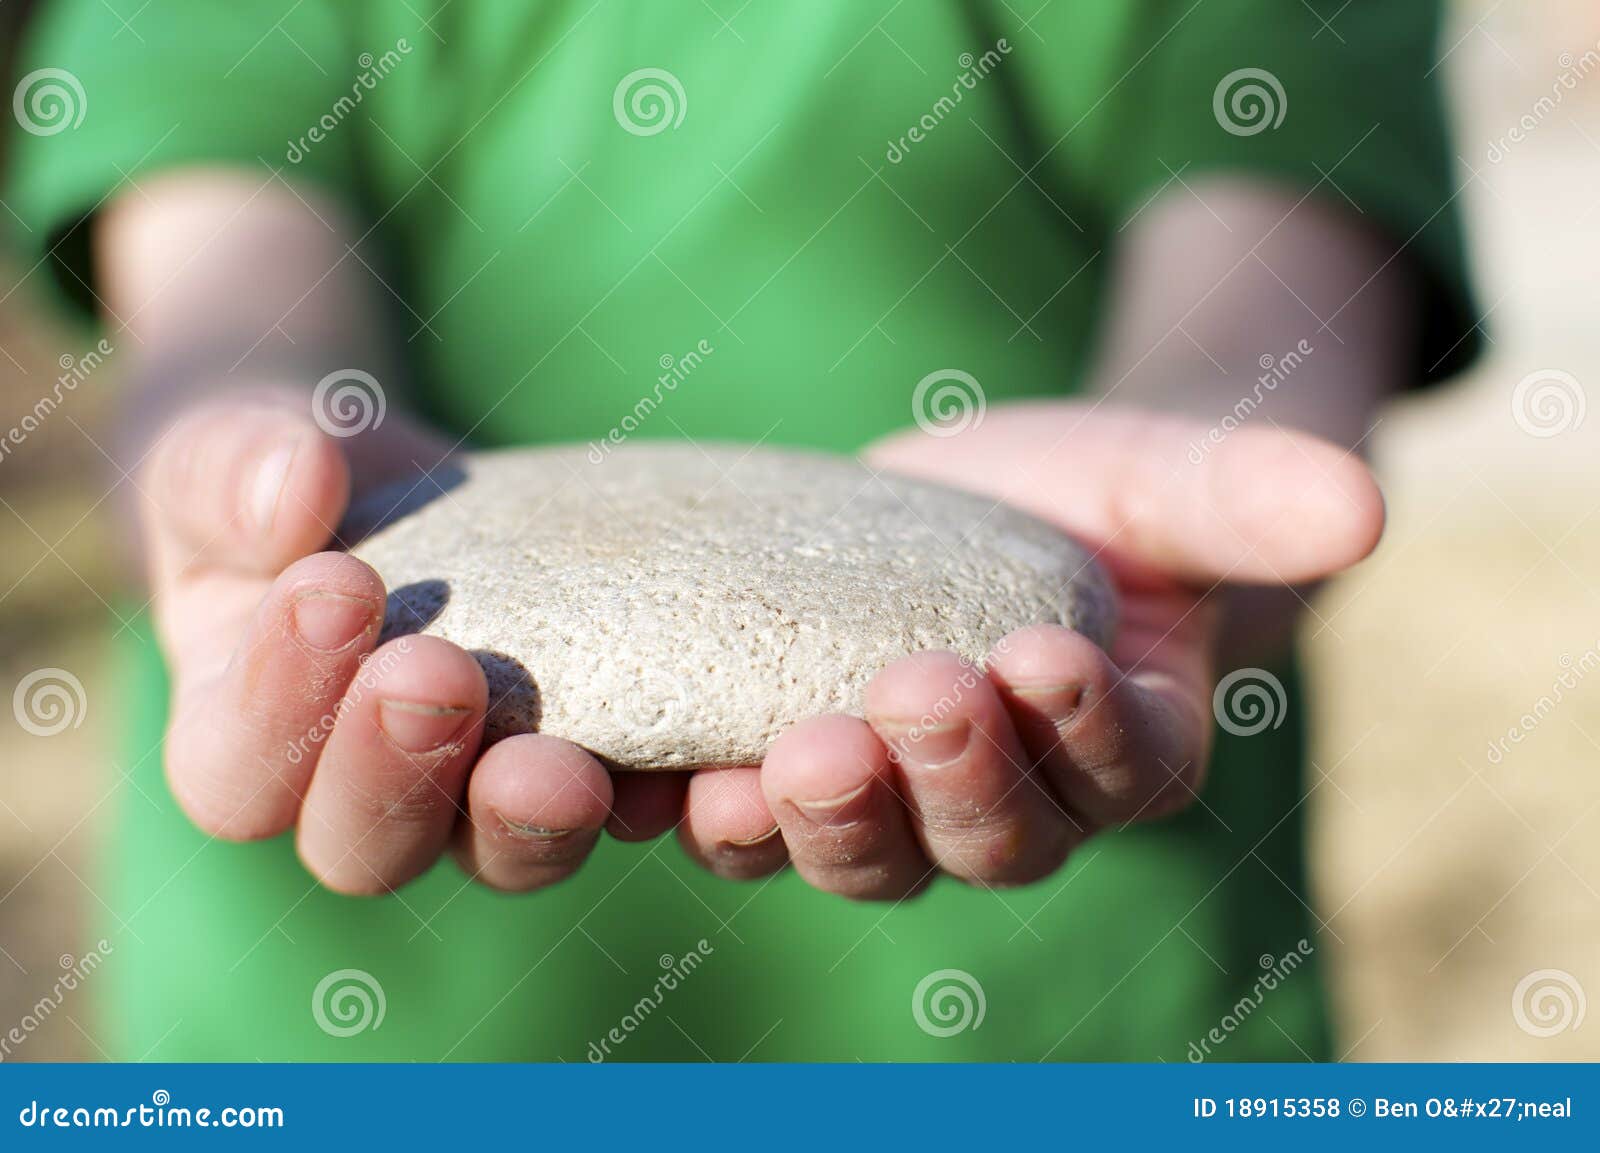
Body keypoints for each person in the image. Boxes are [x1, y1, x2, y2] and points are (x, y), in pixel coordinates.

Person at [6, 0, 1475, 1060]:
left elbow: (1252, 332)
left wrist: (1189, 498)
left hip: (1089, 1019)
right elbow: (226, 308)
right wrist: (255, 456)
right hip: (342, 1041)